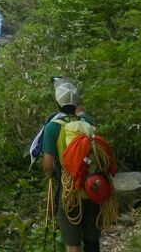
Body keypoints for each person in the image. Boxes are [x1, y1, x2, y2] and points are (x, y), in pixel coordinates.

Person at [41, 78, 101, 252]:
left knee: (72, 244)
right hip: (91, 187)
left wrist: (51, 174)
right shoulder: (87, 124)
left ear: (57, 103)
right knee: (92, 239)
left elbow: (48, 164)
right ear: (76, 103)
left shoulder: (52, 127)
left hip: (69, 190)